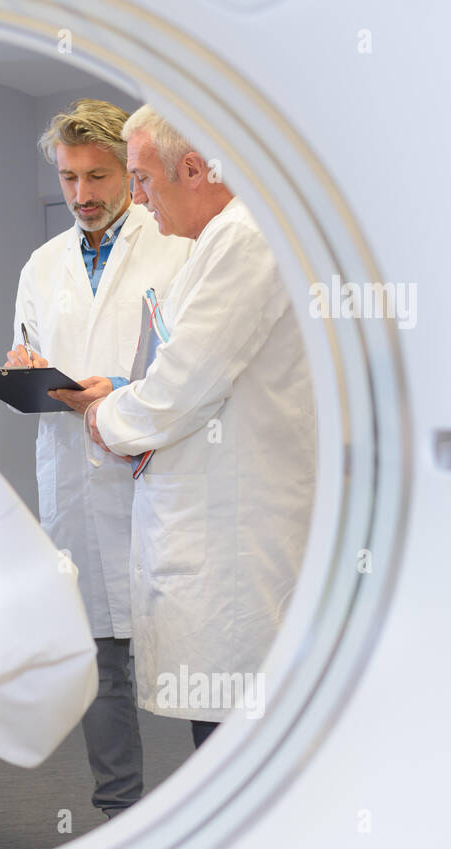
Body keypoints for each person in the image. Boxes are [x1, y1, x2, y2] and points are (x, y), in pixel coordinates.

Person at [87, 105, 317, 748]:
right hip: (215, 528)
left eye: (141, 178)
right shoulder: (219, 239)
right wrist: (126, 391)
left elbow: (183, 390)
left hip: (236, 547)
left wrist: (108, 414)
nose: (136, 198)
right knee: (220, 738)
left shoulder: (246, 238)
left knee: (234, 747)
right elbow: (189, 372)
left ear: (193, 168)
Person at [4, 99, 192, 818]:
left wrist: (120, 390)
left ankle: (222, 807)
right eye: (68, 176)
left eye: (99, 176)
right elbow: (26, 349)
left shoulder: (176, 245)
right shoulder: (42, 265)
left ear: (131, 170)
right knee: (98, 655)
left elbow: (193, 366)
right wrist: (25, 365)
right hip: (75, 475)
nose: (81, 194)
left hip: (157, 474)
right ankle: (121, 811)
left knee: (194, 647)